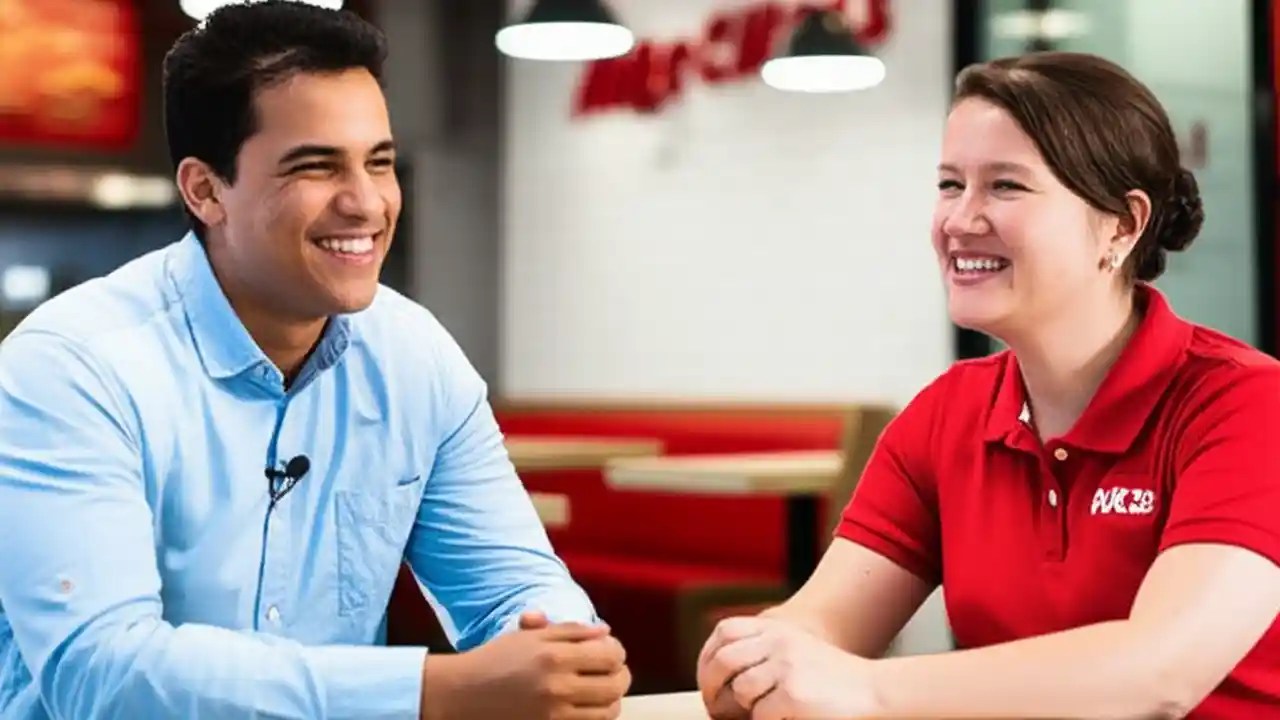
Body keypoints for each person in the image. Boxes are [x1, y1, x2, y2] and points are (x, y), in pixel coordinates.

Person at [0, 3, 630, 719]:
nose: (366, 203)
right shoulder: (71, 368)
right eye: (316, 166)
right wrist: (430, 692)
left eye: (380, 162)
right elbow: (104, 675)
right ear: (205, 190)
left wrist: (563, 652)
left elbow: (514, 588)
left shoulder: (414, 358)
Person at [697, 51, 1280, 719]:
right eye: (950, 185)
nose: (959, 220)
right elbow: (822, 624)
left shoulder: (1248, 405)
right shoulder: (946, 414)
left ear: (1122, 224)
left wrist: (867, 689)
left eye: (1005, 186)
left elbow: (1160, 673)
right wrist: (763, 658)